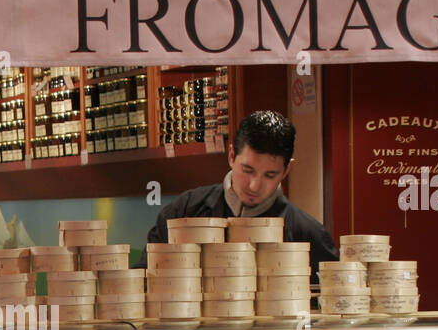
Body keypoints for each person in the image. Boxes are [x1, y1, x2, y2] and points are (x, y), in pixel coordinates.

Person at [142, 110, 339, 269]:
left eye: (269, 175)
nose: (254, 185)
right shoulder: (183, 212)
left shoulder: (307, 234)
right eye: (248, 170)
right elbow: (144, 280)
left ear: (287, 170)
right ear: (231, 155)